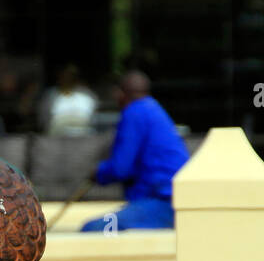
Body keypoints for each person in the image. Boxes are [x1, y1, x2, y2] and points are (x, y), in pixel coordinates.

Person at [80, 71, 189, 231]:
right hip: (175, 202)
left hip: (163, 203)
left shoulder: (134, 112)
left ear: (121, 94)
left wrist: (98, 173)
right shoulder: (154, 109)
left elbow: (121, 168)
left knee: (91, 230)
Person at [39, 65, 97, 137]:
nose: (67, 78)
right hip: (57, 138)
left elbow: (93, 118)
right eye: (64, 75)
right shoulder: (50, 95)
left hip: (83, 138)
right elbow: (43, 120)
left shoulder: (87, 94)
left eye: (70, 75)